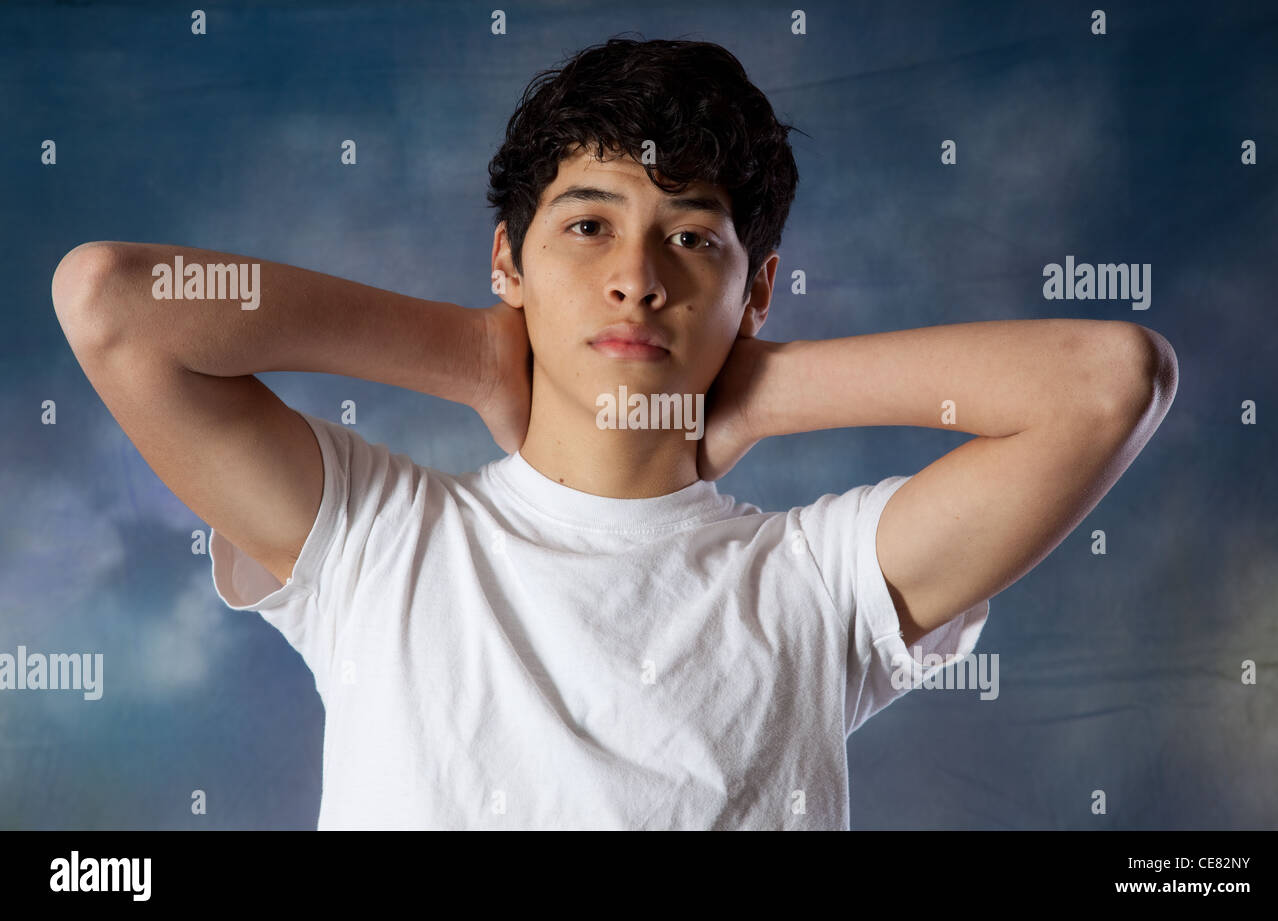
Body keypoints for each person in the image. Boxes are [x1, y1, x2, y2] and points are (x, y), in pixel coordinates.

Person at [50, 37, 1177, 830]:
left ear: (760, 289)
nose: (634, 279)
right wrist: (467, 351)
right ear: (507, 259)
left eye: (692, 239)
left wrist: (755, 395)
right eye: (586, 226)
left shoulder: (820, 579)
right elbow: (113, 301)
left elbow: (1107, 380)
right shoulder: (372, 536)